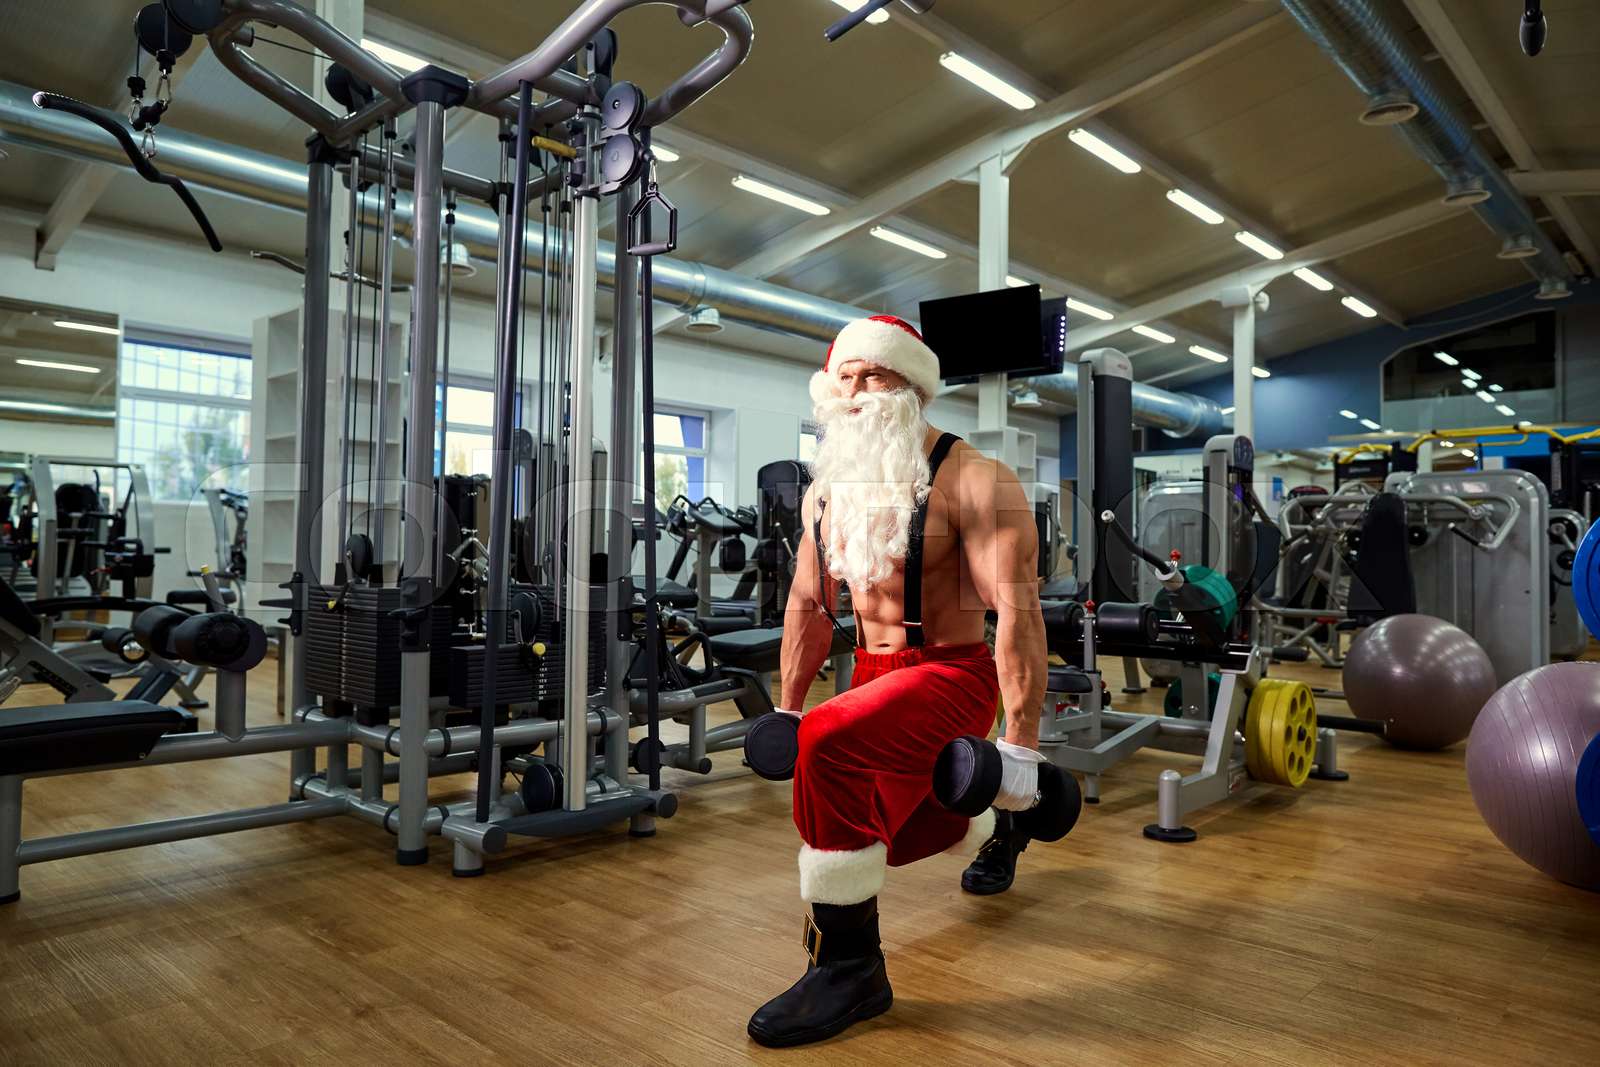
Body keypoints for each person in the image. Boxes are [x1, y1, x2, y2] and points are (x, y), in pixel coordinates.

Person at [747, 315, 1050, 1049]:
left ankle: (851, 968)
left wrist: (1018, 748)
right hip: (871, 672)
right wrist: (787, 708)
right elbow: (807, 603)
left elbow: (1018, 613)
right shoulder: (826, 494)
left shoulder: (976, 478)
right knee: (899, 826)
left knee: (829, 743)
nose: (855, 392)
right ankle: (989, 820)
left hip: (952, 671)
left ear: (911, 388)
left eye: (873, 376)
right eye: (844, 377)